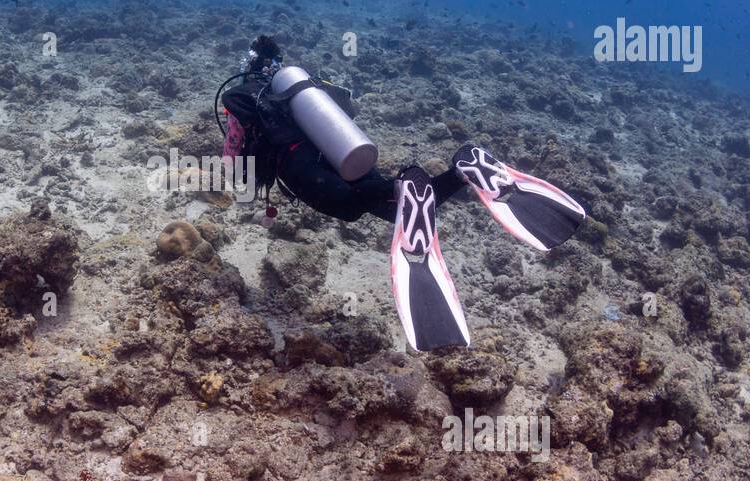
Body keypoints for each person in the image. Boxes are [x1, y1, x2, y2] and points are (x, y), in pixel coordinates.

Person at [217, 35, 587, 351]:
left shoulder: (243, 97)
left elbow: (234, 159)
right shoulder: (300, 87)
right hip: (341, 152)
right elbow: (347, 106)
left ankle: (407, 185)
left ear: (252, 65)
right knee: (398, 211)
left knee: (348, 209)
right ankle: (462, 170)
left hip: (300, 167)